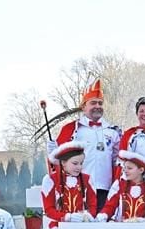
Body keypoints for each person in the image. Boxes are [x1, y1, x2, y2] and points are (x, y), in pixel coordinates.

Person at [51, 79, 122, 209]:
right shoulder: (72, 129)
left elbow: (117, 162)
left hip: (104, 188)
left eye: (100, 103)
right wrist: (52, 151)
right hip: (79, 188)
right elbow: (59, 161)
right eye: (93, 103)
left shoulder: (113, 131)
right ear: (84, 106)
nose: (97, 106)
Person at [42, 143, 98, 229]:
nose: (79, 167)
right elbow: (49, 210)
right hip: (58, 228)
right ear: (63, 163)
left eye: (81, 163)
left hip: (82, 228)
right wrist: (67, 217)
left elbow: (92, 206)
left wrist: (88, 216)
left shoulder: (87, 179)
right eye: (75, 163)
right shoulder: (50, 180)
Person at [98, 150, 145, 222]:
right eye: (124, 168)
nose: (125, 171)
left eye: (129, 168)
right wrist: (103, 215)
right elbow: (110, 206)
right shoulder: (118, 185)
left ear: (141, 170)